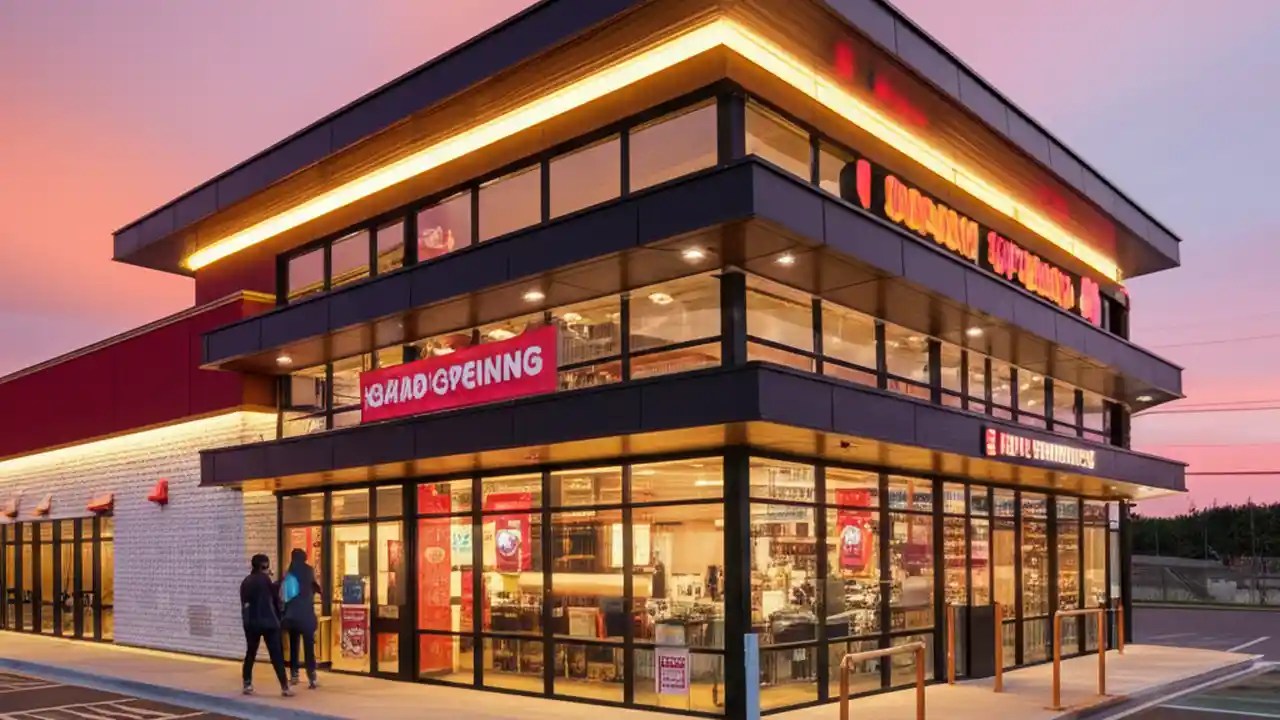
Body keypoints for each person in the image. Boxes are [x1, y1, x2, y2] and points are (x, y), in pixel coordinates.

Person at [240, 553, 293, 697]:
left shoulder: (246, 581)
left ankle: (247, 682)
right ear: (264, 566)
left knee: (250, 653)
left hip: (252, 623)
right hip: (269, 622)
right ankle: (284, 686)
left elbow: (245, 604)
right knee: (276, 655)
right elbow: (277, 600)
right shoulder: (266, 580)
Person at [280, 548, 322, 689]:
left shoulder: (289, 573)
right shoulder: (309, 571)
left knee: (294, 645)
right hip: (306, 615)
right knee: (309, 647)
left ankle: (294, 674)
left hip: (292, 616)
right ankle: (312, 676)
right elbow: (315, 587)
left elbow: (285, 597)